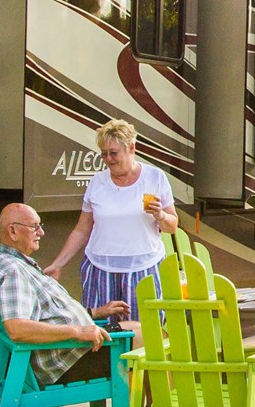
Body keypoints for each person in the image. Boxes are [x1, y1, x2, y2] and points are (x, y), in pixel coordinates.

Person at [44, 119, 178, 321]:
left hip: (143, 268)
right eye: (104, 154)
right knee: (101, 332)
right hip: (100, 268)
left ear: (131, 148)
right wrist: (58, 264)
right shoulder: (97, 182)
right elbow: (82, 229)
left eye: (113, 153)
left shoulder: (154, 177)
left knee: (144, 332)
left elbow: (172, 225)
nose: (108, 159)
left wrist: (160, 215)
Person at [0, 201, 110, 402]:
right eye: (35, 226)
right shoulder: (14, 271)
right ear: (13, 231)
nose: (41, 233)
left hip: (74, 348)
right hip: (67, 361)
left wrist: (93, 314)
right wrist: (78, 331)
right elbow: (17, 328)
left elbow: (47, 313)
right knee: (150, 341)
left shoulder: (14, 262)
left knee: (146, 331)